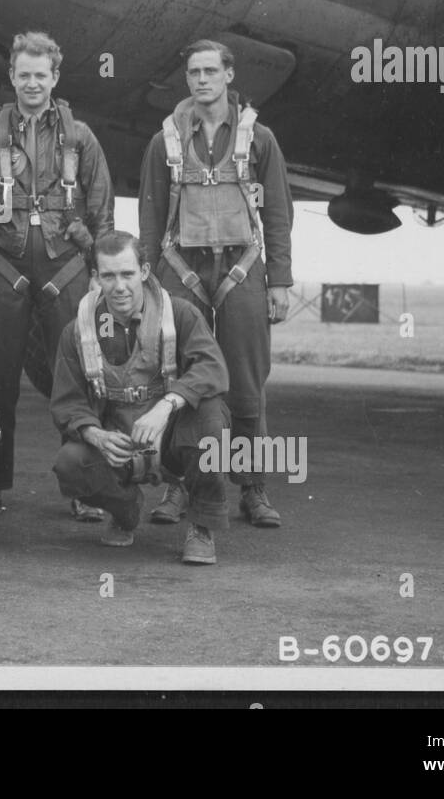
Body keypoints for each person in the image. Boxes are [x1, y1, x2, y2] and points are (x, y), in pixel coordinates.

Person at [0, 31, 114, 519]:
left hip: (66, 266)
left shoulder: (82, 138)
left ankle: (86, 486)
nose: (31, 83)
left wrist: (101, 275)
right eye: (23, 75)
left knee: (78, 378)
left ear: (55, 78)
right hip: (3, 268)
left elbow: (101, 212)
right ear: (11, 76)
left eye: (39, 75)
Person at [137, 40, 294, 528]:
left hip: (242, 269)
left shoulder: (260, 139)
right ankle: (180, 485)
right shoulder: (163, 142)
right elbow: (151, 215)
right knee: (180, 377)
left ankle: (253, 487)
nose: (201, 80)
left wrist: (280, 281)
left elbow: (277, 213)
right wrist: (149, 284)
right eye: (193, 73)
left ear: (229, 75)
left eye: (210, 71)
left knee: (246, 384)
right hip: (180, 268)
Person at [49, 231, 232, 563]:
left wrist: (167, 405)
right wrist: (96, 435)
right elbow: (67, 401)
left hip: (173, 435)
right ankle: (124, 509)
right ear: (95, 278)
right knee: (70, 463)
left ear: (145, 271)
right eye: (108, 275)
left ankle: (202, 525)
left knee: (211, 416)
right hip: (118, 440)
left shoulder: (180, 313)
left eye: (127, 274)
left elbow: (212, 368)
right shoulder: (78, 330)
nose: (119, 286)